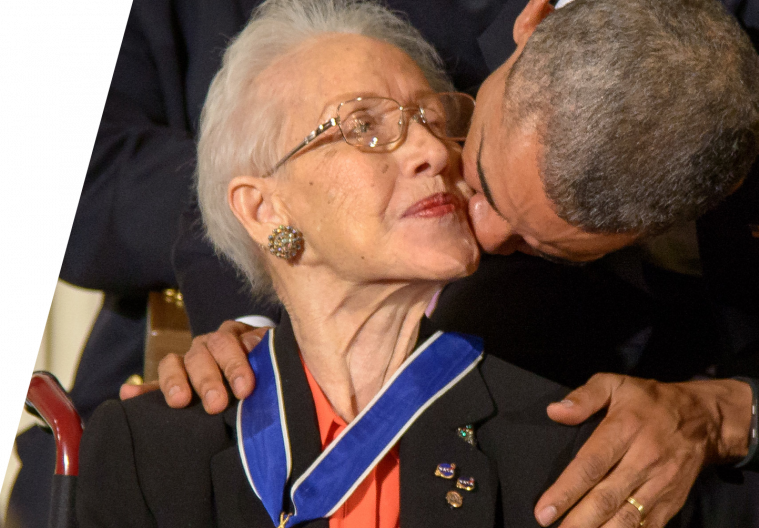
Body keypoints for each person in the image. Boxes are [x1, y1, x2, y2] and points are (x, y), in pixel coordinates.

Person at [137, 0, 759, 527]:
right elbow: (251, 157)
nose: (480, 233)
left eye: (536, 244)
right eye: (481, 168)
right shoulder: (408, 32)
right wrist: (264, 365)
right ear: (531, 24)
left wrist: (733, 413)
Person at [76, 1, 604, 526]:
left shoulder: (567, 453)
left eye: (435, 121)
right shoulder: (149, 453)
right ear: (264, 209)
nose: (434, 151)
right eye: (364, 127)